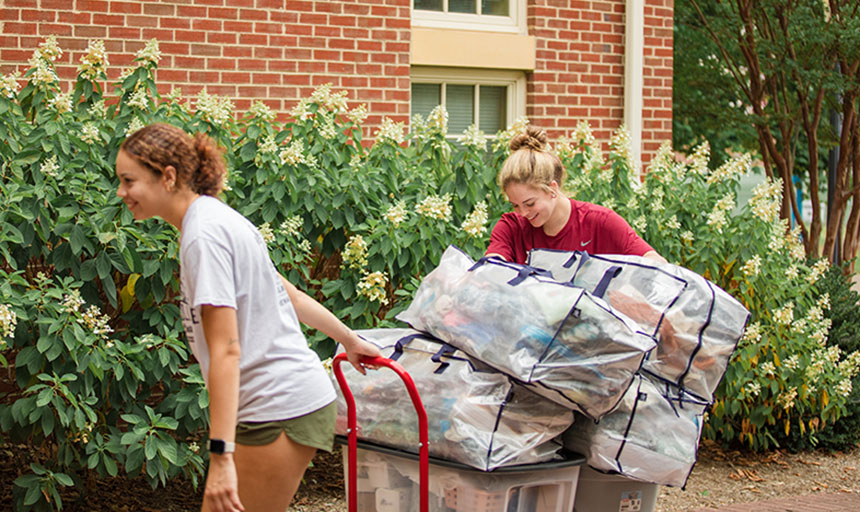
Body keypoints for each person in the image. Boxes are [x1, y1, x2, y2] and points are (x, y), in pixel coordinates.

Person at [115, 123, 381, 512]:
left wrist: (220, 457)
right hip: (280, 401)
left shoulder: (202, 235)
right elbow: (282, 291)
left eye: (128, 180)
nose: (121, 192)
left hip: (277, 406)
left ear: (167, 177)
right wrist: (348, 339)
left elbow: (226, 349)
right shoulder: (213, 219)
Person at [486, 126, 666, 264]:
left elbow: (656, 265)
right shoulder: (511, 227)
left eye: (530, 203)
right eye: (515, 205)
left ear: (552, 189)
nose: (523, 213)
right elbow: (491, 268)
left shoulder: (600, 223)